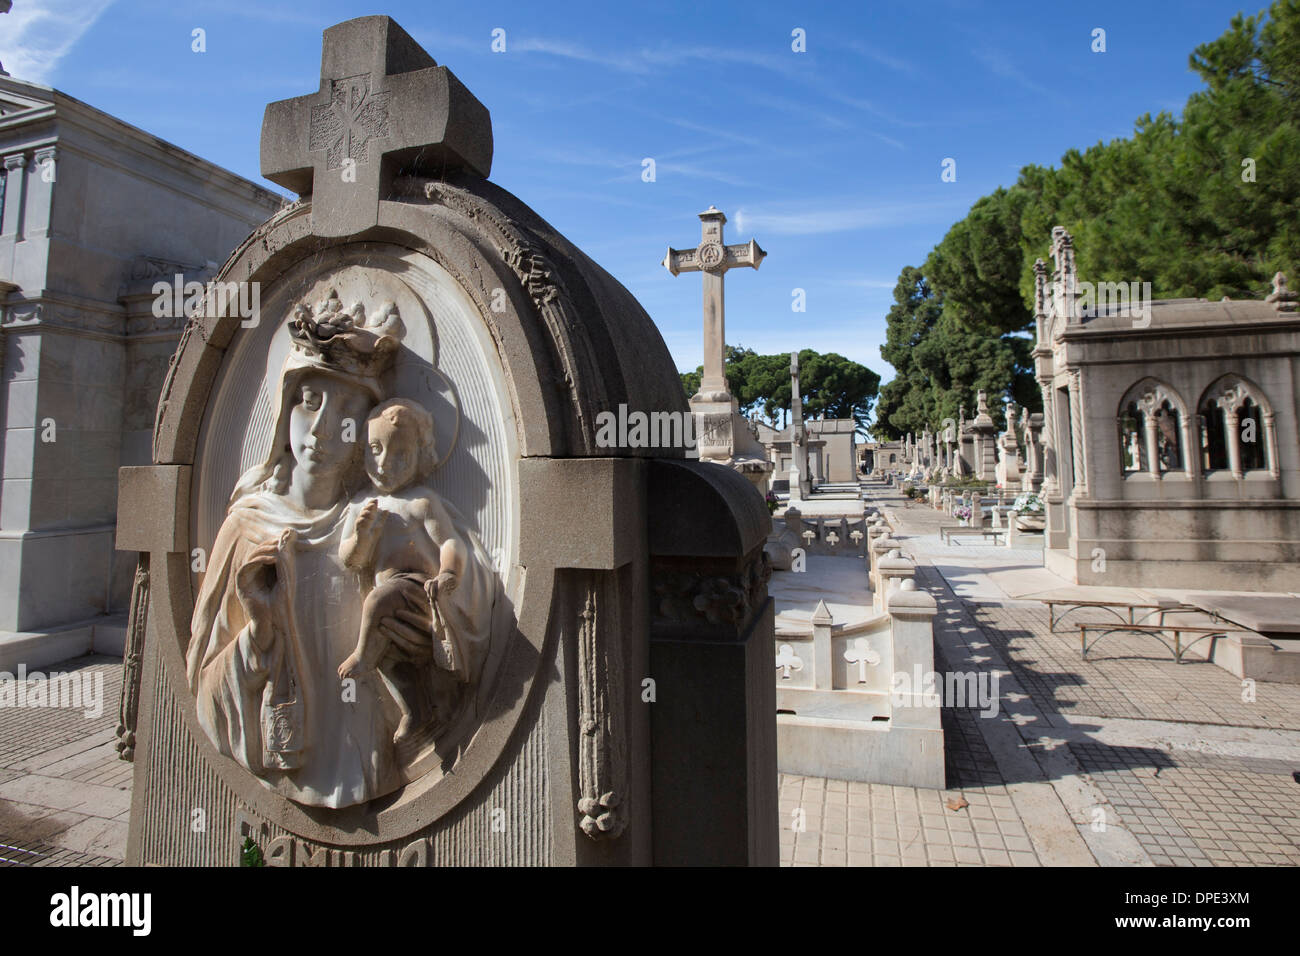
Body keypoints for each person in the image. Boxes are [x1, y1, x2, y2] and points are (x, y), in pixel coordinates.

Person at [185, 290, 497, 808]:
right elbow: (205, 693)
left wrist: (429, 627)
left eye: (350, 409)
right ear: (286, 405)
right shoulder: (248, 525)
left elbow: (469, 594)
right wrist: (258, 634)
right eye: (310, 402)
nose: (325, 429)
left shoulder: (385, 517)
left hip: (368, 754)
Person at [337, 398, 472, 749]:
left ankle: (362, 657)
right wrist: (361, 538)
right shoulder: (361, 506)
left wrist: (448, 573)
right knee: (391, 661)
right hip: (386, 605)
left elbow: (450, 543)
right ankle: (416, 711)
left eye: (400, 454)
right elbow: (351, 558)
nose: (384, 464)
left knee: (378, 600)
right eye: (375, 449)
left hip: (414, 590)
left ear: (422, 455)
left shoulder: (421, 502)